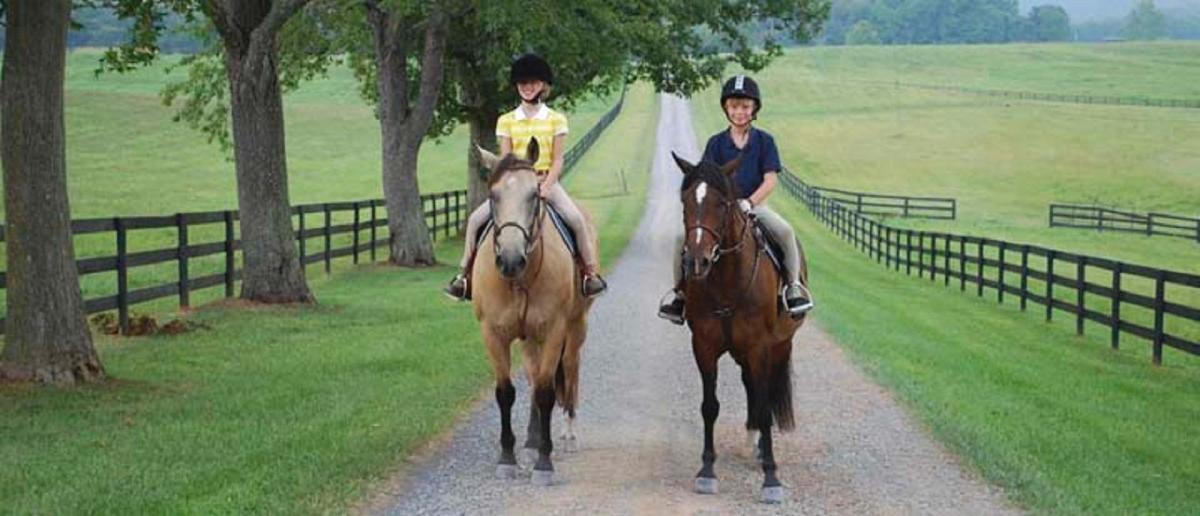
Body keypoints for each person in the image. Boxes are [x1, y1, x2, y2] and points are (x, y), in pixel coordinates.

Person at [445, 53, 607, 300]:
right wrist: (510, 185)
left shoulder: (555, 119)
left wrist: (547, 185)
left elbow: (558, 159)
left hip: (545, 181)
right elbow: (506, 161)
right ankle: (464, 276)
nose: (527, 87)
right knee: (476, 220)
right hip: (514, 187)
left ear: (542, 85)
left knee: (576, 219)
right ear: (517, 86)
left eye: (532, 83)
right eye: (523, 83)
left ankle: (589, 274)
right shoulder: (506, 121)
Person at [659, 75, 813, 324]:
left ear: (754, 109)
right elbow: (706, 180)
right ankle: (680, 295)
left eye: (744, 106)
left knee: (784, 231)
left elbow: (770, 179)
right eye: (733, 106)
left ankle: (793, 287)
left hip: (754, 206)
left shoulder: (765, 141)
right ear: (725, 108)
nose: (739, 112)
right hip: (722, 211)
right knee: (681, 238)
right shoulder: (716, 143)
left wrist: (750, 203)